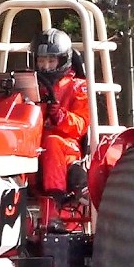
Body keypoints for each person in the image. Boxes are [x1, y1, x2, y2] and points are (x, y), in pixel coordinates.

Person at [32, 28, 91, 198]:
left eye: (51, 60)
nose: (46, 66)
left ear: (63, 60)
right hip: (34, 143)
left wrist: (61, 116)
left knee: (52, 142)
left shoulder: (78, 86)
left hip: (67, 147)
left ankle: (55, 203)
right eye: (42, 60)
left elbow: (81, 125)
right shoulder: (29, 86)